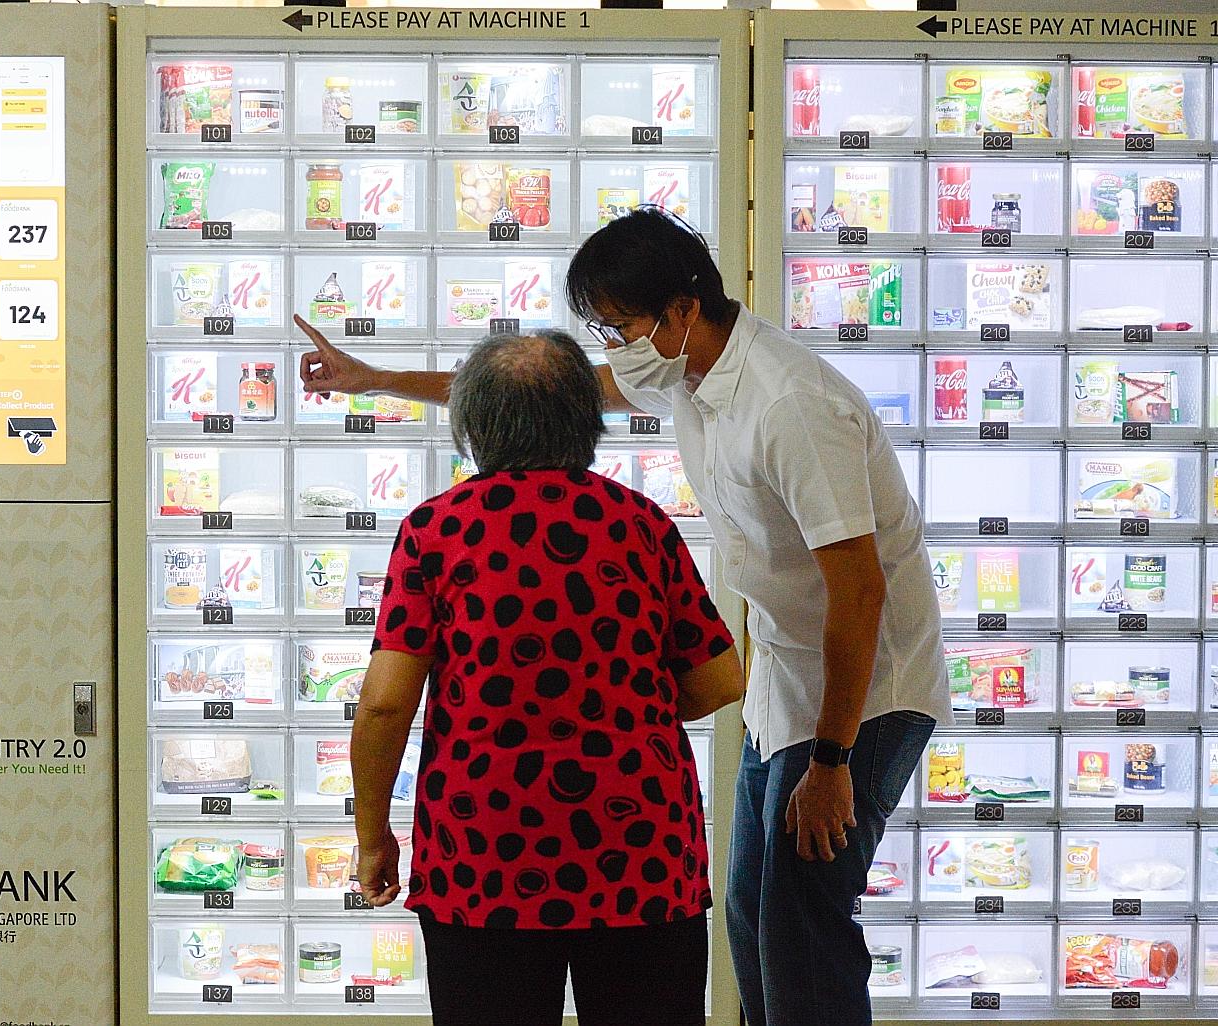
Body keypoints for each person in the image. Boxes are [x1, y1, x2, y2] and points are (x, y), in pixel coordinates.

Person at [302, 206, 952, 1026]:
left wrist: (832, 763)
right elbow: (540, 394)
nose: (615, 347)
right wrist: (377, 381)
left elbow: (860, 590)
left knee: (800, 926)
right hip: (719, 757)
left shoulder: (790, 404)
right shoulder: (664, 439)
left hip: (859, 695)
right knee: (754, 920)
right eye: (603, 331)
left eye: (621, 324)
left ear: (683, 309)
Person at [348, 329, 744, 1026]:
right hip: (641, 856)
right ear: (586, 421)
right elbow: (717, 680)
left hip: (482, 856)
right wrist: (625, 712)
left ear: (472, 425)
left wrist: (374, 836)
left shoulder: (436, 530)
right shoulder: (643, 524)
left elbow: (385, 707)